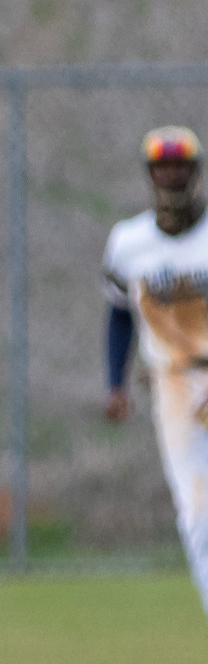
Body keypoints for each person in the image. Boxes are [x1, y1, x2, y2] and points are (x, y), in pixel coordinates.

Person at [102, 126, 208, 611]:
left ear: (195, 171)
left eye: (180, 165)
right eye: (163, 166)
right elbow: (119, 314)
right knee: (196, 510)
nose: (172, 175)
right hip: (173, 383)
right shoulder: (129, 242)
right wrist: (115, 384)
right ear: (150, 174)